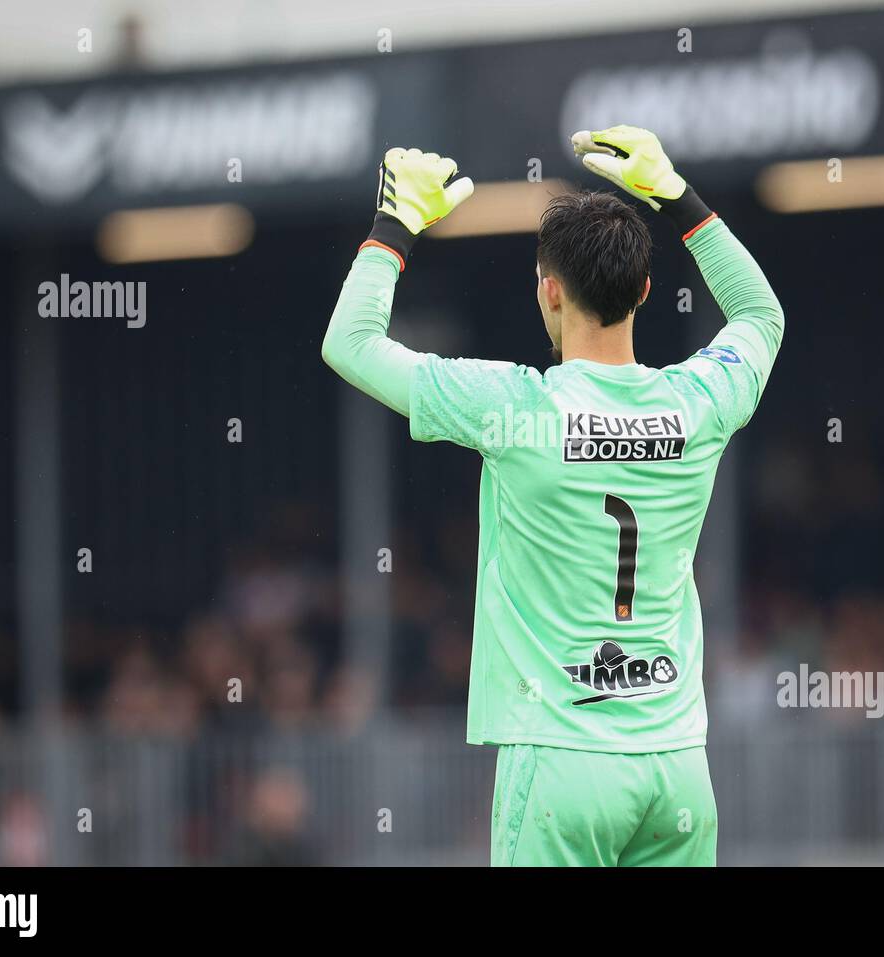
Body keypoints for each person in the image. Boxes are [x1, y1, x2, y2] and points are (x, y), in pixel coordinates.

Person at [323, 125, 785, 866]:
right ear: (643, 290)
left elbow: (350, 342)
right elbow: (762, 316)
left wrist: (395, 224)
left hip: (564, 762)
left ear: (548, 290)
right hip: (677, 768)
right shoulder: (699, 401)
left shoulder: (515, 408)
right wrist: (678, 197)